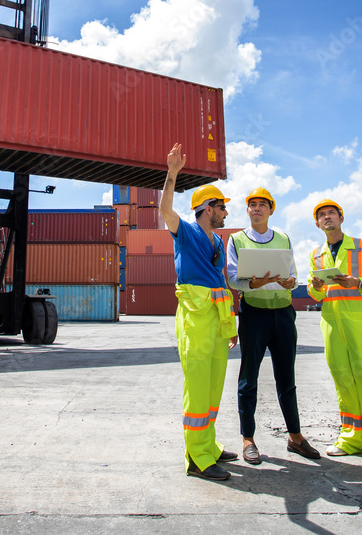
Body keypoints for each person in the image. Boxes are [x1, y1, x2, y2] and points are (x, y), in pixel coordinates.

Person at [159, 143, 238, 481]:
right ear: (207, 208)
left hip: (218, 317)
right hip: (195, 314)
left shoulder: (218, 242)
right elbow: (165, 210)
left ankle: (209, 444)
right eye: (221, 207)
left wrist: (230, 326)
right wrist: (172, 173)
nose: (225, 213)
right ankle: (198, 458)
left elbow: (220, 282)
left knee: (214, 385)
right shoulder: (186, 232)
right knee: (198, 385)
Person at [225, 187, 320, 465]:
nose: (256, 208)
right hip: (254, 314)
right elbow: (232, 278)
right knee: (248, 378)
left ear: (271, 209)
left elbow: (292, 274)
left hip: (283, 313)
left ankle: (296, 437)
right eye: (252, 204)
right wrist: (253, 284)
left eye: (262, 204)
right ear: (248, 210)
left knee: (287, 379)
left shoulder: (283, 237)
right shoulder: (237, 239)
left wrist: (291, 282)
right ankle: (248, 439)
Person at [308, 199, 362, 467]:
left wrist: (359, 282)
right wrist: (315, 286)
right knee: (343, 379)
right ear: (317, 223)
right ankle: (351, 438)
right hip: (332, 326)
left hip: (359, 325)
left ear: (341, 218)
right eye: (321, 215)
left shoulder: (361, 247)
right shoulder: (316, 254)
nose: (327, 218)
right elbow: (315, 293)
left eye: (331, 213)